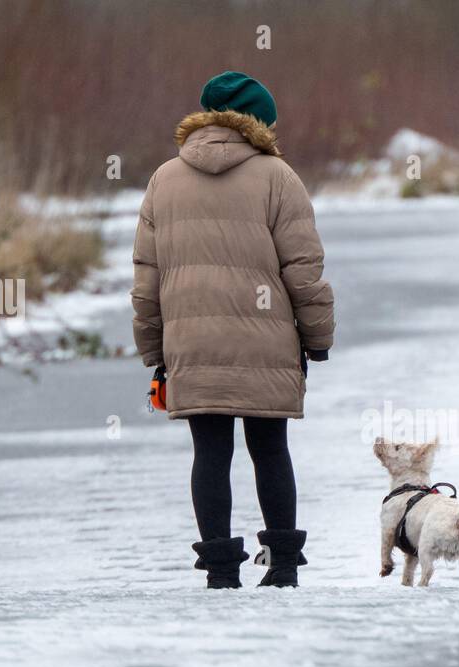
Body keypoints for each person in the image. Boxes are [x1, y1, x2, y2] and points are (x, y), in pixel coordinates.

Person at [130, 71, 334, 589]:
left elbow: (146, 278)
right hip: (266, 340)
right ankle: (283, 566)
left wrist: (156, 351)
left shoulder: (164, 179)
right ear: (258, 121)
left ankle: (221, 571)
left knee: (210, 453)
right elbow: (303, 269)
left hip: (190, 344)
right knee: (270, 448)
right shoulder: (277, 177)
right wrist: (317, 337)